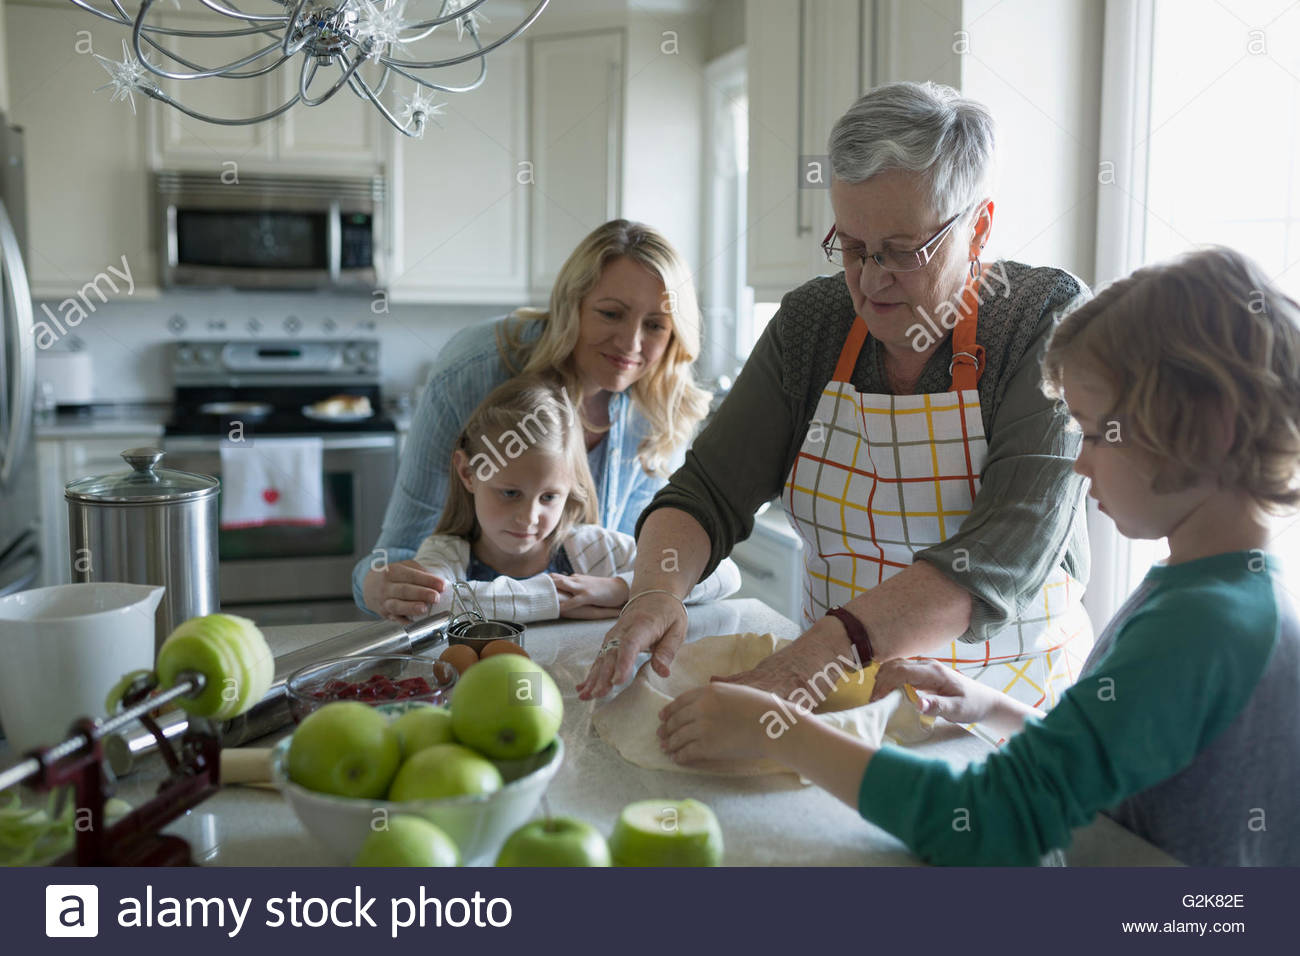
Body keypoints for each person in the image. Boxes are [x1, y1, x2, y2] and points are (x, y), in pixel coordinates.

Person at [657, 247, 1300, 866]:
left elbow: (991, 824)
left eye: (1101, 433)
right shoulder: (1225, 592)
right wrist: (988, 707)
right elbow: (1115, 760)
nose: (1079, 462)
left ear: (1207, 430)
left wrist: (781, 731)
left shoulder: (1199, 627)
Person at [580, 82, 1094, 742]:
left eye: (903, 251)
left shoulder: (1044, 319)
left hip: (1001, 711)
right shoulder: (813, 325)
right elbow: (707, 491)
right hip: (835, 706)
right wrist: (655, 591)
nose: (872, 279)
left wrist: (808, 662)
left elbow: (1000, 554)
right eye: (852, 247)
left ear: (980, 225)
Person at [355, 220, 711, 622]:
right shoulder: (473, 371)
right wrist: (376, 586)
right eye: (611, 313)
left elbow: (658, 565)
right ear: (570, 306)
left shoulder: (661, 405)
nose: (631, 344)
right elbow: (401, 556)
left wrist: (624, 588)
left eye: (655, 325)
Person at [412, 377, 739, 622]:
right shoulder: (445, 554)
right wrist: (556, 599)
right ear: (468, 473)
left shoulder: (590, 550)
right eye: (510, 493)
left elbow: (723, 573)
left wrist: (619, 590)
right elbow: (432, 604)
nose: (529, 517)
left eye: (549, 497)